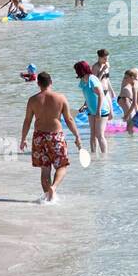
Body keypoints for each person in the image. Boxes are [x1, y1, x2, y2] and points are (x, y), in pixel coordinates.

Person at [20, 71, 83, 204]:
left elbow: (27, 121)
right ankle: (53, 188)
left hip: (39, 136)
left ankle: (47, 198)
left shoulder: (33, 100)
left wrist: (23, 138)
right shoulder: (60, 98)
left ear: (38, 84)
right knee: (62, 166)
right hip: (56, 136)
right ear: (51, 82)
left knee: (45, 168)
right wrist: (77, 136)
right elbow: (69, 119)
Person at [74, 61, 110, 154]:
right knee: (93, 135)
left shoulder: (92, 79)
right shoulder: (82, 80)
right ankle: (94, 155)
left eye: (77, 70)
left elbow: (101, 94)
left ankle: (104, 156)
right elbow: (88, 94)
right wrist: (85, 105)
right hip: (91, 110)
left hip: (101, 109)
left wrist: (98, 111)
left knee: (99, 135)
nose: (76, 72)